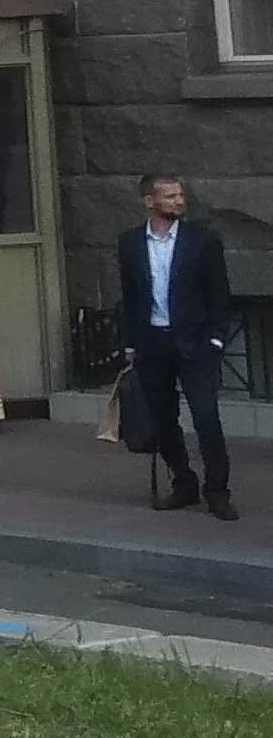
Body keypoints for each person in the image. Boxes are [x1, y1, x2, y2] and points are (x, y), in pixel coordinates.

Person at [118, 174, 240, 520]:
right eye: (169, 196)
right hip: (152, 342)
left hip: (195, 343)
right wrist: (130, 344)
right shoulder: (129, 243)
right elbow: (129, 296)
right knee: (163, 419)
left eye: (179, 195)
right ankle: (183, 483)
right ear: (149, 201)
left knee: (206, 417)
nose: (178, 201)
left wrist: (216, 340)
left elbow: (220, 294)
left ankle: (217, 491)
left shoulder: (202, 240)